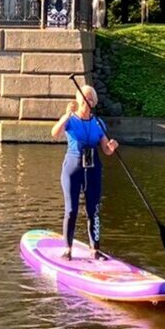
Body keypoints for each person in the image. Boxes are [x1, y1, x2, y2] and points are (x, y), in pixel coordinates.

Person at [50, 83, 119, 260]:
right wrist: (66, 115)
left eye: (90, 99)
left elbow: (106, 150)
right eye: (84, 98)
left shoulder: (98, 123)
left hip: (93, 169)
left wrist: (112, 146)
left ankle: (94, 249)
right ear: (78, 101)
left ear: (94, 102)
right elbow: (54, 133)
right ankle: (67, 248)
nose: (87, 102)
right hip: (73, 169)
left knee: (93, 210)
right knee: (72, 210)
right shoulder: (71, 120)